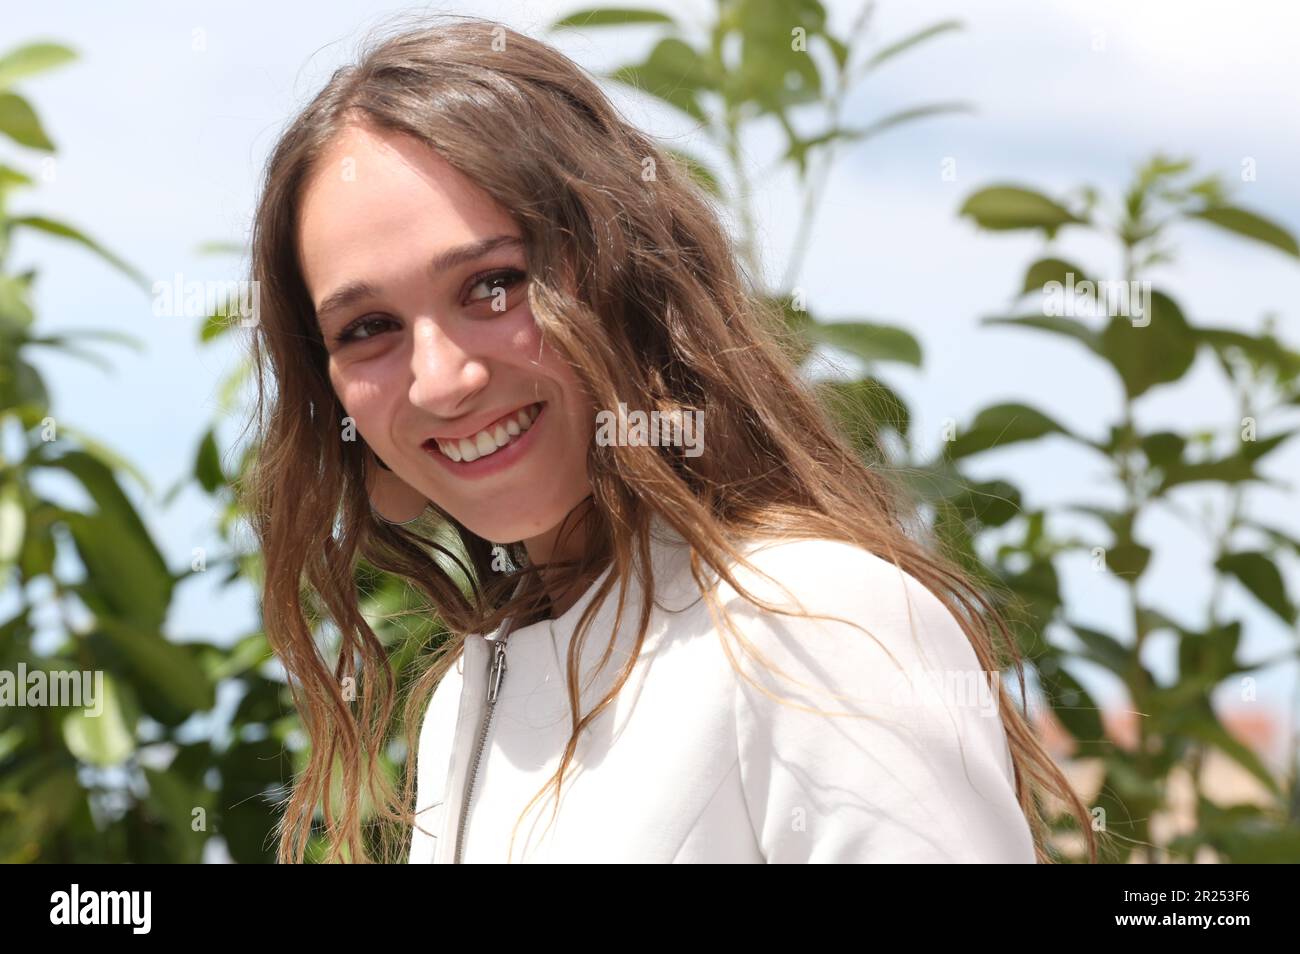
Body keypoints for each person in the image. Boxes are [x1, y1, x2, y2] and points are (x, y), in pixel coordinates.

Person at [240, 15, 1096, 863]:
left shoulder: (808, 622)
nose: (440, 379)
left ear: (623, 274)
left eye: (493, 284)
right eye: (368, 327)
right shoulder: (469, 695)